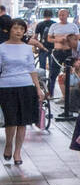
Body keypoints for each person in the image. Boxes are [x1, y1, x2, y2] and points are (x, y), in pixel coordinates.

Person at [0, 20, 47, 167]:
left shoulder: (27, 48)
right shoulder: (1, 48)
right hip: (6, 86)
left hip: (26, 85)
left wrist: (38, 88)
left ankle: (18, 152)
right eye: (16, 28)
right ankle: (8, 144)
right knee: (11, 120)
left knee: (23, 121)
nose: (19, 31)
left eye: (22, 29)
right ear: (10, 30)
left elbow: (31, 69)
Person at [48, 7, 80, 113]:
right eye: (60, 15)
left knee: (69, 73)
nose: (62, 16)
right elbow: (49, 38)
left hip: (68, 52)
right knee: (53, 73)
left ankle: (67, 96)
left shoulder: (73, 26)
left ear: (67, 15)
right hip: (57, 51)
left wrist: (68, 38)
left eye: (64, 14)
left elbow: (78, 37)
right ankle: (50, 93)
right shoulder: (54, 26)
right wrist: (58, 39)